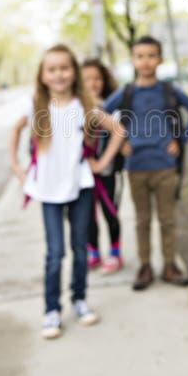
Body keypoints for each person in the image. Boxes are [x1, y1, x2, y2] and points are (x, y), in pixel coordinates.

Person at [9, 44, 124, 340]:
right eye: (52, 69)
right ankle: (51, 309)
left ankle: (80, 301)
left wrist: (101, 162)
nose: (59, 74)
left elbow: (118, 131)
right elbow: (15, 130)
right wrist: (16, 166)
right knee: (55, 252)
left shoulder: (85, 106)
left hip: (80, 186)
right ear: (43, 75)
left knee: (80, 249)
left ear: (74, 72)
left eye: (64, 68)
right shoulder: (36, 105)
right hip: (48, 190)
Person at [103, 36, 188, 291]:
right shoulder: (126, 93)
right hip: (136, 167)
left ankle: (170, 265)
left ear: (159, 59)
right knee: (142, 220)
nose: (145, 61)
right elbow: (101, 115)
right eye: (140, 56)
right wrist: (119, 142)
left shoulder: (168, 91)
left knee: (167, 219)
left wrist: (180, 141)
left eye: (151, 55)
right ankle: (145, 265)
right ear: (133, 61)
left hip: (165, 167)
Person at [81, 58, 124, 274]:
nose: (93, 82)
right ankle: (94, 252)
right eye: (87, 78)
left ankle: (115, 253)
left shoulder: (112, 106)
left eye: (97, 78)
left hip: (107, 170)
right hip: (83, 174)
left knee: (110, 211)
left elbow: (121, 132)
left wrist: (104, 162)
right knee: (88, 215)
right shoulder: (75, 106)